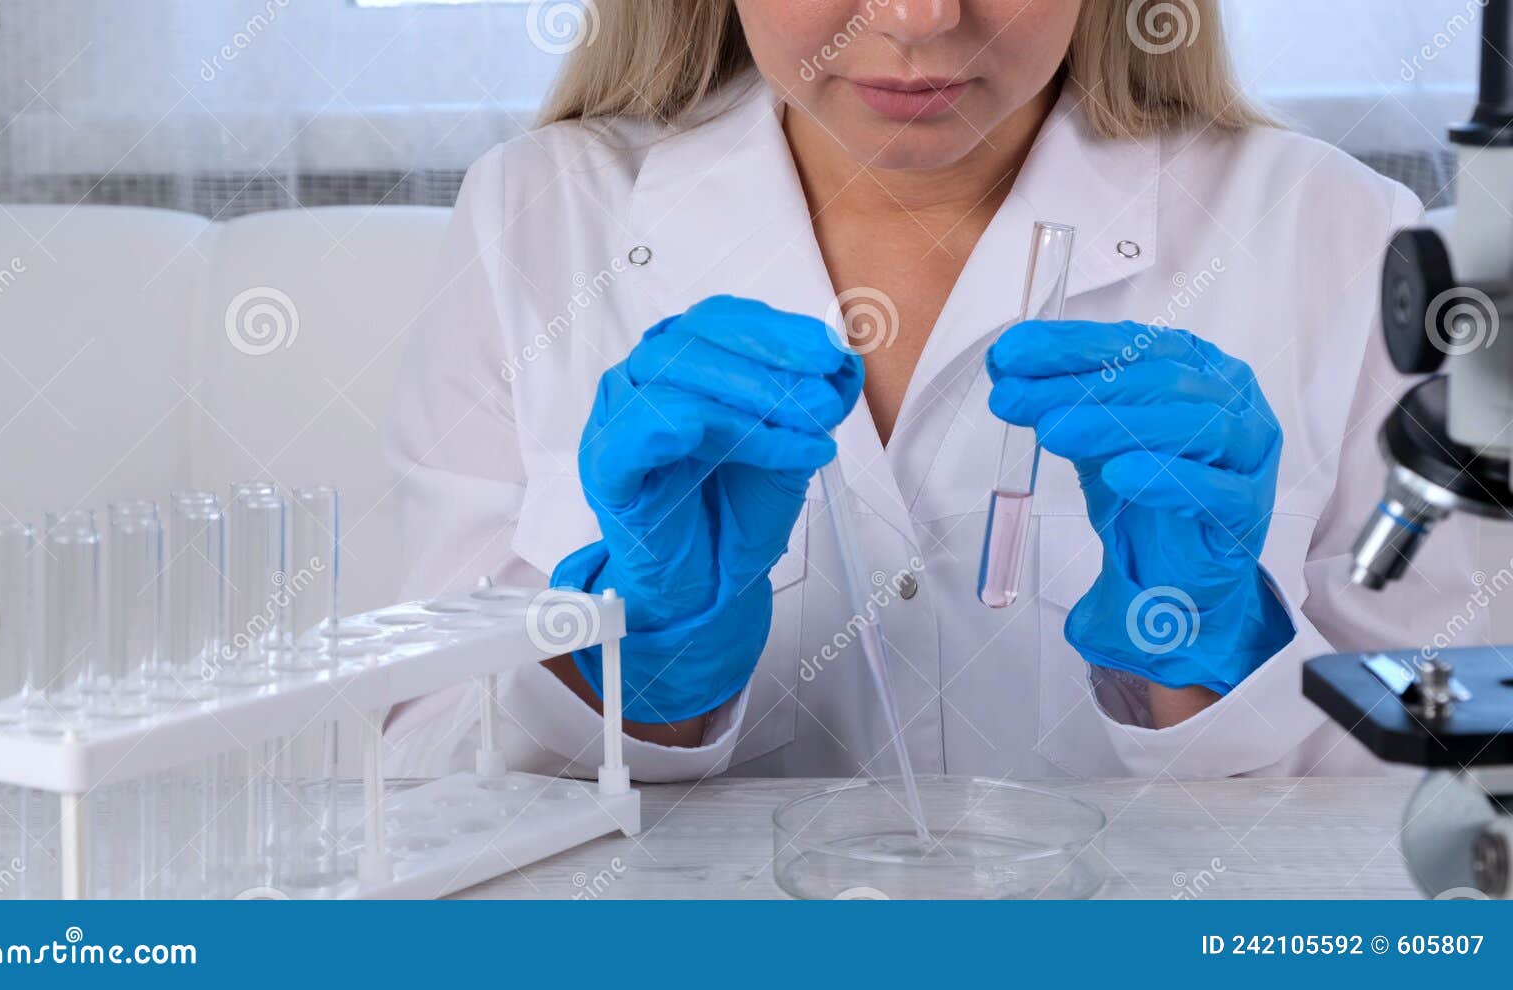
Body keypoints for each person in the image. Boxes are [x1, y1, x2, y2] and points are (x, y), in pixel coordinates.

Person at [384, 0, 1478, 782]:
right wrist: (634, 673)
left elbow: (1457, 781)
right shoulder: (538, 217)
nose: (918, 19)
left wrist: (1213, 661)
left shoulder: (1336, 233)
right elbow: (414, 768)